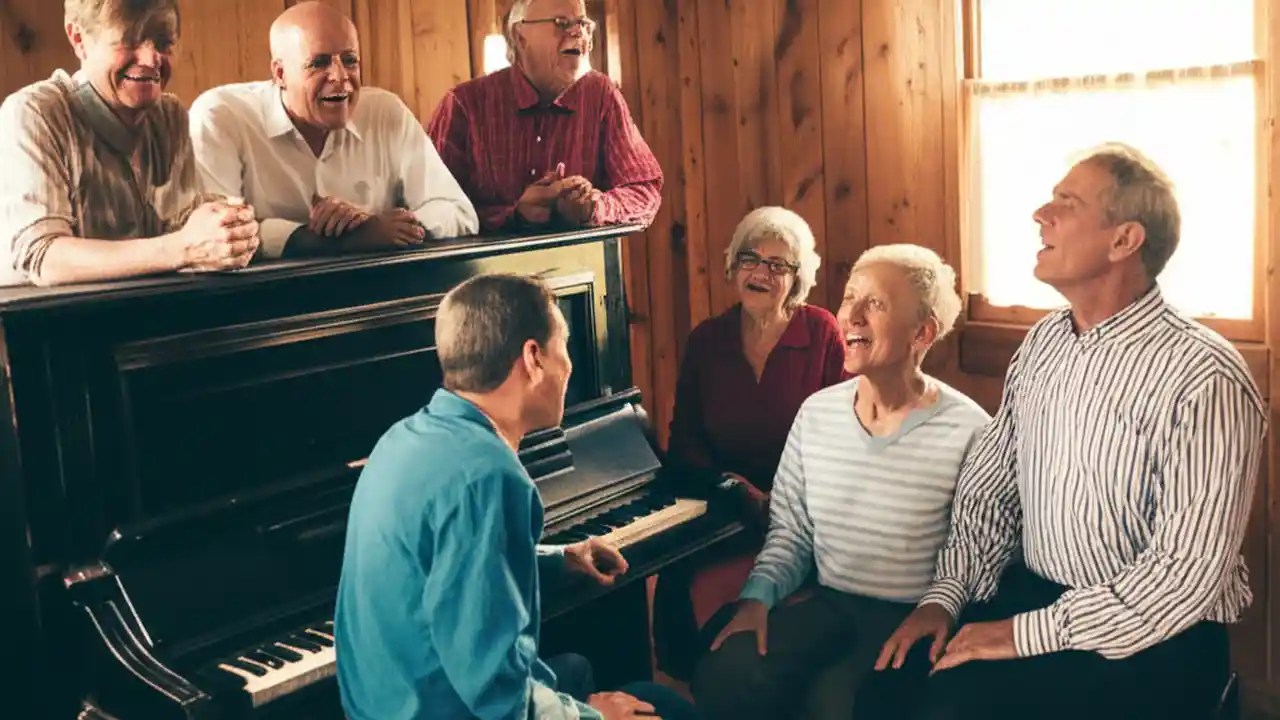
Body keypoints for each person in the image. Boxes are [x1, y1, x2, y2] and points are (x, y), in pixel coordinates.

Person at [857, 144, 1266, 720]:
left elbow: (1183, 575)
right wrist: (946, 597)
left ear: (1124, 241)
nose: (1040, 215)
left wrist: (1022, 636)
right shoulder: (1044, 344)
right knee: (886, 690)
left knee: (951, 710)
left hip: (1158, 636)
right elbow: (991, 488)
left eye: (1065, 204)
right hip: (1037, 595)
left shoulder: (1205, 376)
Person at [334, 273, 699, 720]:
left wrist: (558, 557)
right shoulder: (487, 476)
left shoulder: (402, 438)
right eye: (563, 345)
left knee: (575, 669)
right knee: (661, 705)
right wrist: (595, 717)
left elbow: (455, 572)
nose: (569, 365)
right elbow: (498, 698)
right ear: (532, 357)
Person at [689, 244, 991, 720]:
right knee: (725, 671)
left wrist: (939, 608)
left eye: (875, 304)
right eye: (850, 298)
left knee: (838, 704)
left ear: (922, 331)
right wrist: (756, 598)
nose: (850, 316)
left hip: (911, 612)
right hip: (829, 602)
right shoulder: (817, 413)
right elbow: (791, 532)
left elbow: (975, 550)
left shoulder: (971, 431)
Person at [652, 206, 846, 680]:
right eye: (749, 258)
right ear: (732, 266)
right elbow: (686, 442)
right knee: (670, 570)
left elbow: (841, 437)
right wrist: (733, 490)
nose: (760, 272)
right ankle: (678, 689)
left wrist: (780, 501)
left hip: (807, 503)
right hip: (726, 500)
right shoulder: (708, 341)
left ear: (796, 278)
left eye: (777, 265)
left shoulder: (820, 331)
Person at [188, 1, 477, 260]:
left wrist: (388, 225)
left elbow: (459, 213)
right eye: (319, 63)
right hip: (258, 305)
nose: (341, 77)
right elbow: (219, 236)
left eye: (350, 60)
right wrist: (346, 239)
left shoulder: (385, 112)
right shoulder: (220, 115)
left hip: (379, 296)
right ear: (279, 74)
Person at [0, 0, 259, 286]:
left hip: (145, 318)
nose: (150, 59)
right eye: (128, 40)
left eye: (163, 42)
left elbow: (182, 228)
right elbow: (46, 259)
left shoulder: (169, 116)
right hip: (41, 324)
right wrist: (183, 247)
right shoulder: (35, 113)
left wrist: (226, 227)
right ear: (78, 39)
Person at [426, 0, 663, 232]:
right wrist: (515, 215)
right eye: (561, 23)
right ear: (520, 37)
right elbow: (432, 208)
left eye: (582, 23)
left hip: (583, 268)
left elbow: (644, 189)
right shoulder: (464, 105)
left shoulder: (601, 94)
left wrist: (593, 208)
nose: (577, 32)